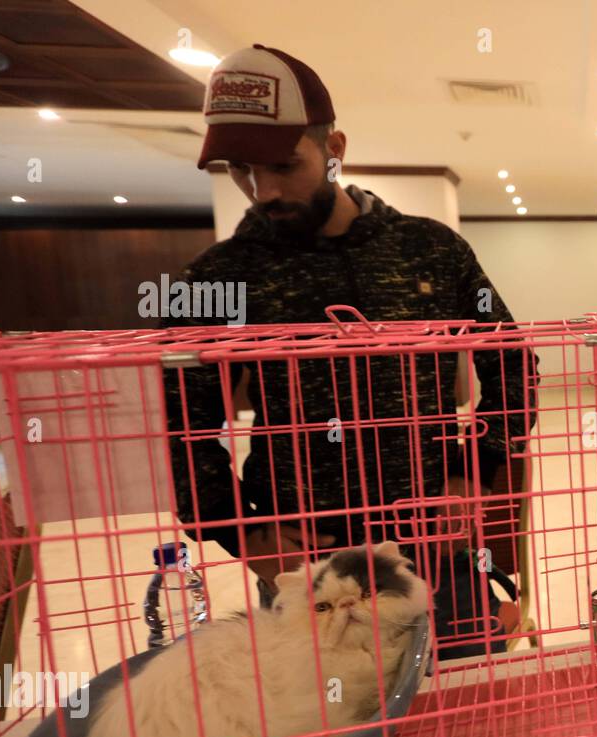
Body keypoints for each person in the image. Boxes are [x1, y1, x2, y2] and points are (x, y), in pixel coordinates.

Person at [163, 44, 536, 618]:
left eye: (284, 167)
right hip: (303, 554)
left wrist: (474, 470)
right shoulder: (216, 276)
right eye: (241, 170)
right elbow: (179, 422)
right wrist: (244, 534)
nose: (264, 191)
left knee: (468, 697)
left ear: (334, 150)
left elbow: (510, 360)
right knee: (325, 709)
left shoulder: (431, 249)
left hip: (434, 538)